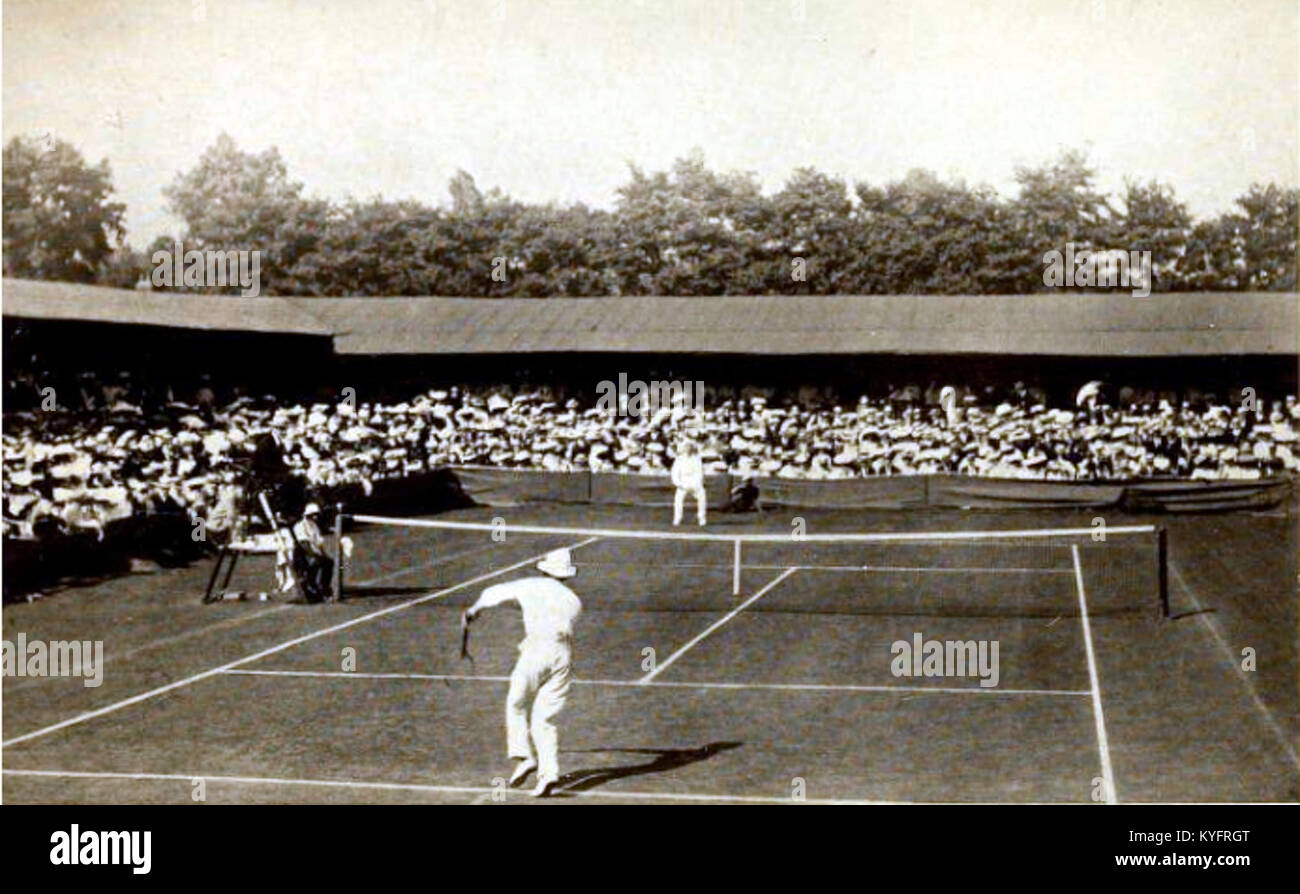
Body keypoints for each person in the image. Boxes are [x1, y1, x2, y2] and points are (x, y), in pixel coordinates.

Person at [461, 548, 582, 798]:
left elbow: (493, 593)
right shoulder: (573, 600)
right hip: (563, 657)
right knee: (544, 720)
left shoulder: (530, 585)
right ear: (566, 575)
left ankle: (525, 756)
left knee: (516, 704)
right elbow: (547, 612)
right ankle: (548, 775)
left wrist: (474, 611)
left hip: (537, 652)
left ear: (543, 568)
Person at [292, 502, 334, 601]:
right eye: (313, 514)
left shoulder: (314, 526)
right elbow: (304, 543)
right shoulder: (300, 526)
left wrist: (323, 554)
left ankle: (324, 586)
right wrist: (313, 555)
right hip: (302, 554)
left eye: (316, 514)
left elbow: (319, 543)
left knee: (329, 562)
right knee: (316, 562)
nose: (315, 517)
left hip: (314, 552)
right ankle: (311, 584)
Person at [670, 440, 706, 526]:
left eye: (689, 447)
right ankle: (677, 518)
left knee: (702, 497)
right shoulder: (679, 459)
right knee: (678, 500)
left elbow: (700, 472)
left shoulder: (697, 459)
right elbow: (674, 473)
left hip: (695, 482)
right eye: (686, 447)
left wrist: (697, 483)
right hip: (683, 482)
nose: (688, 449)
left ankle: (701, 518)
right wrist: (679, 484)